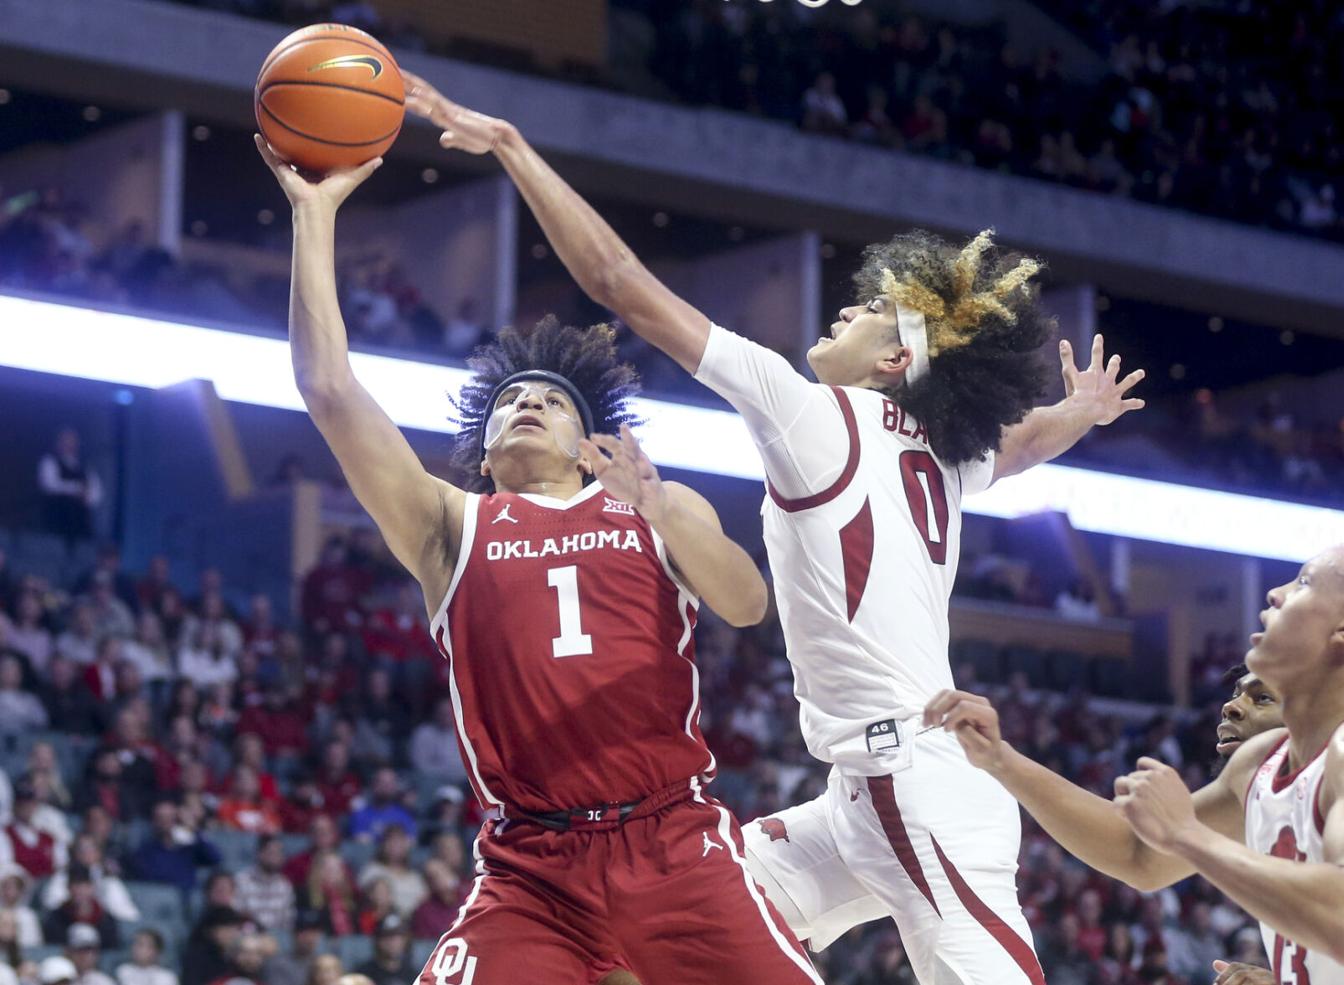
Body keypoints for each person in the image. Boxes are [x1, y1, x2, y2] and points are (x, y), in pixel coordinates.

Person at [402, 72, 1146, 985]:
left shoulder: (813, 414)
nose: (848, 306)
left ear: (895, 358)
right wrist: (1078, 412)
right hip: (856, 800)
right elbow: (1022, 445)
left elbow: (618, 284)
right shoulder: (941, 451)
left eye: (870, 308)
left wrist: (517, 150)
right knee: (673, 905)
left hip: (915, 782)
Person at [255, 132, 819, 985]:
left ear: (588, 439)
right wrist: (313, 215)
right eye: (512, 399)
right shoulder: (452, 524)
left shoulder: (652, 506)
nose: (528, 404)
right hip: (532, 865)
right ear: (481, 451)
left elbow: (747, 604)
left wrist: (660, 505)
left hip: (674, 840)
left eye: (552, 400)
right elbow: (329, 391)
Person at [926, 545, 1344, 984]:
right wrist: (1001, 761)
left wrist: (1188, 834)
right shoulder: (1263, 760)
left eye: (1303, 583)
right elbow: (1140, 855)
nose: (1276, 592)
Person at [36, 428, 102, 547]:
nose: (69, 445)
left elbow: (96, 492)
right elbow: (49, 485)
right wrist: (76, 488)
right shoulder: (50, 461)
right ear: (58, 443)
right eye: (66, 441)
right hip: (56, 520)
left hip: (80, 524)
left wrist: (87, 496)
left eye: (72, 442)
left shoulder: (85, 466)